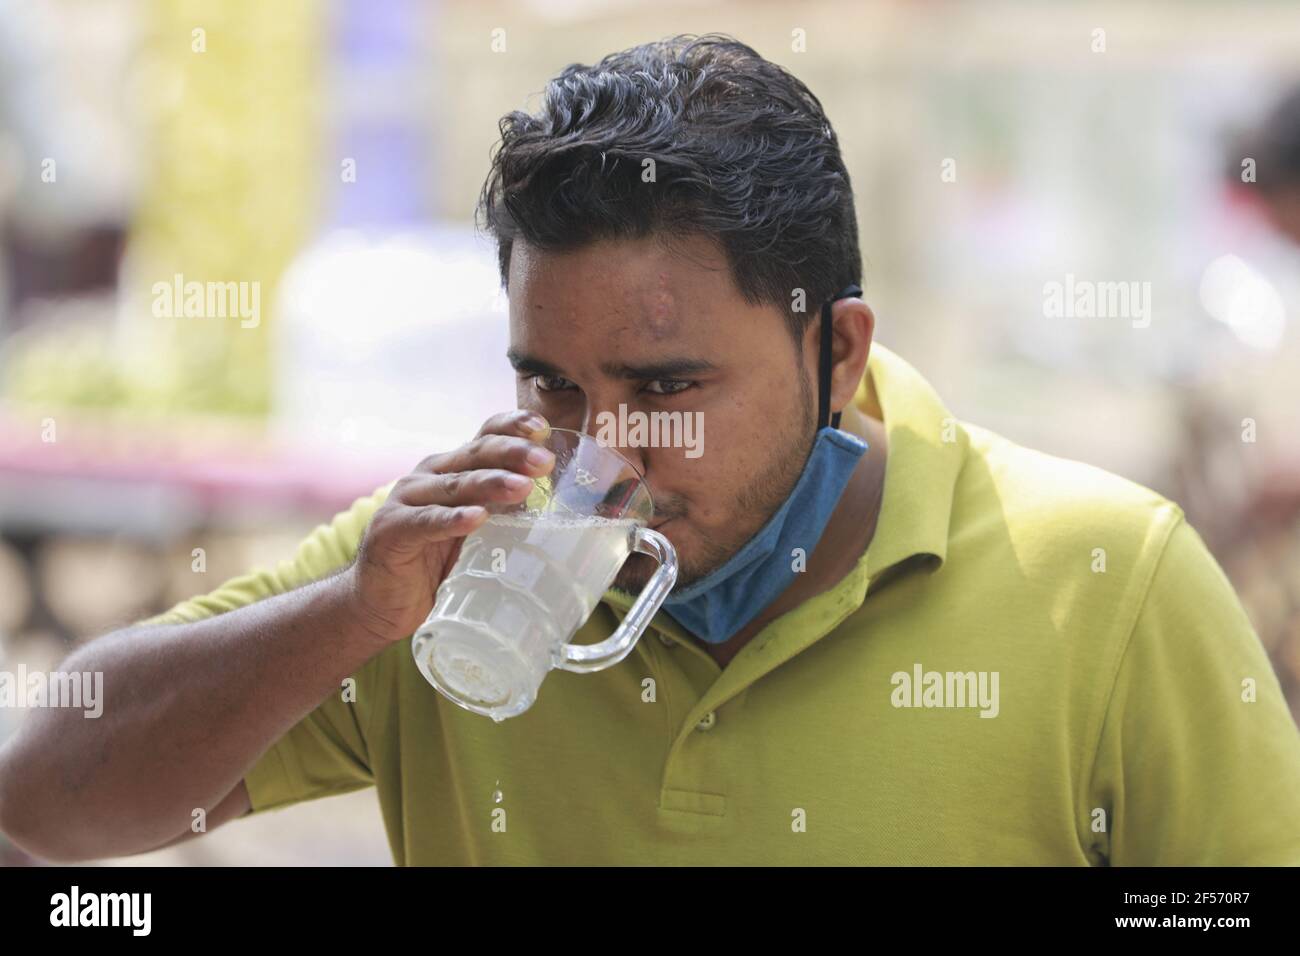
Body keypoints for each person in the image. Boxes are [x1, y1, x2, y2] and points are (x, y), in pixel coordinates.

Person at [3, 34, 1299, 866]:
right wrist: (348, 612)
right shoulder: (443, 573)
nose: (601, 451)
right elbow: (43, 805)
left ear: (837, 353)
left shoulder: (1108, 581)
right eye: (547, 383)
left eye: (666, 386)